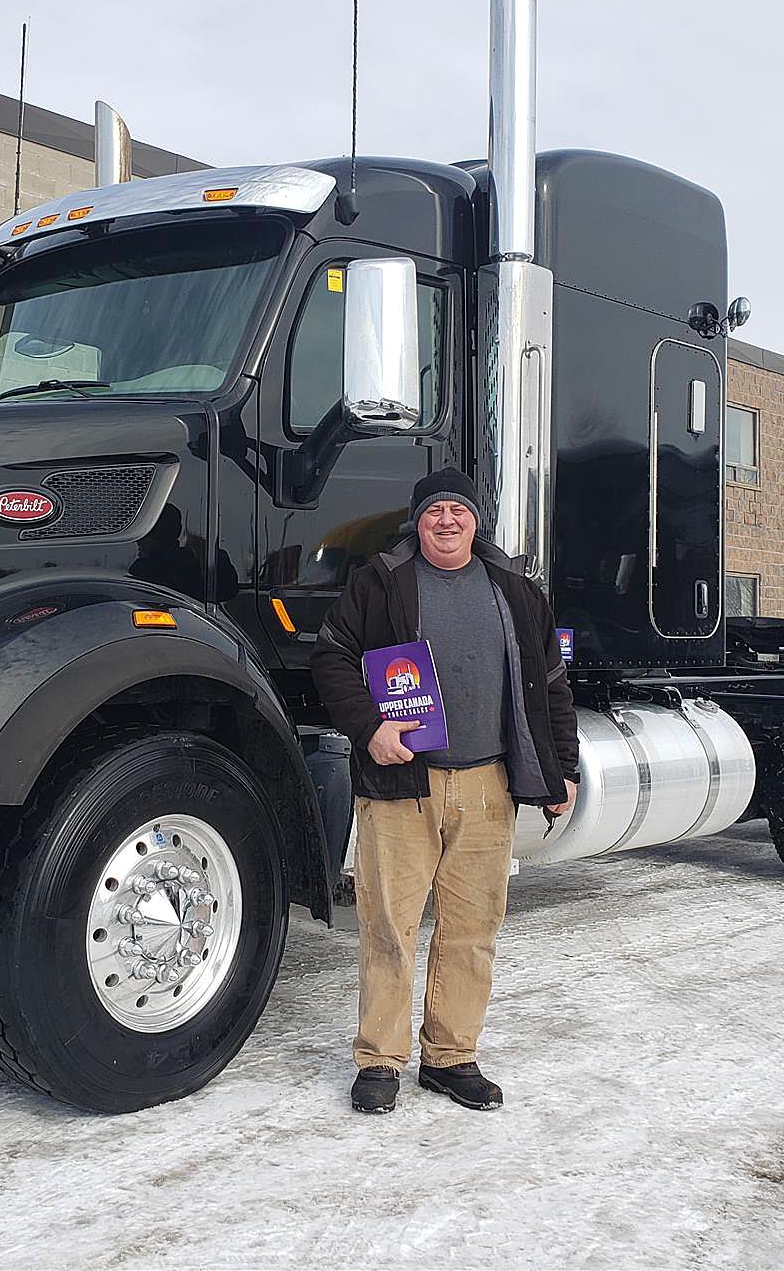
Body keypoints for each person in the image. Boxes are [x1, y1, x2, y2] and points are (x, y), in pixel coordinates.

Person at [311, 468, 579, 1114]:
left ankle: (451, 1057)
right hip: (402, 786)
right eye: (435, 511)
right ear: (418, 521)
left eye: (459, 510)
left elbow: (552, 684)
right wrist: (371, 727)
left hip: (489, 785)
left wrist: (562, 768)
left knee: (471, 929)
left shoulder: (515, 588)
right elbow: (331, 658)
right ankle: (380, 1060)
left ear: (476, 520)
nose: (447, 521)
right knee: (387, 929)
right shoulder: (381, 581)